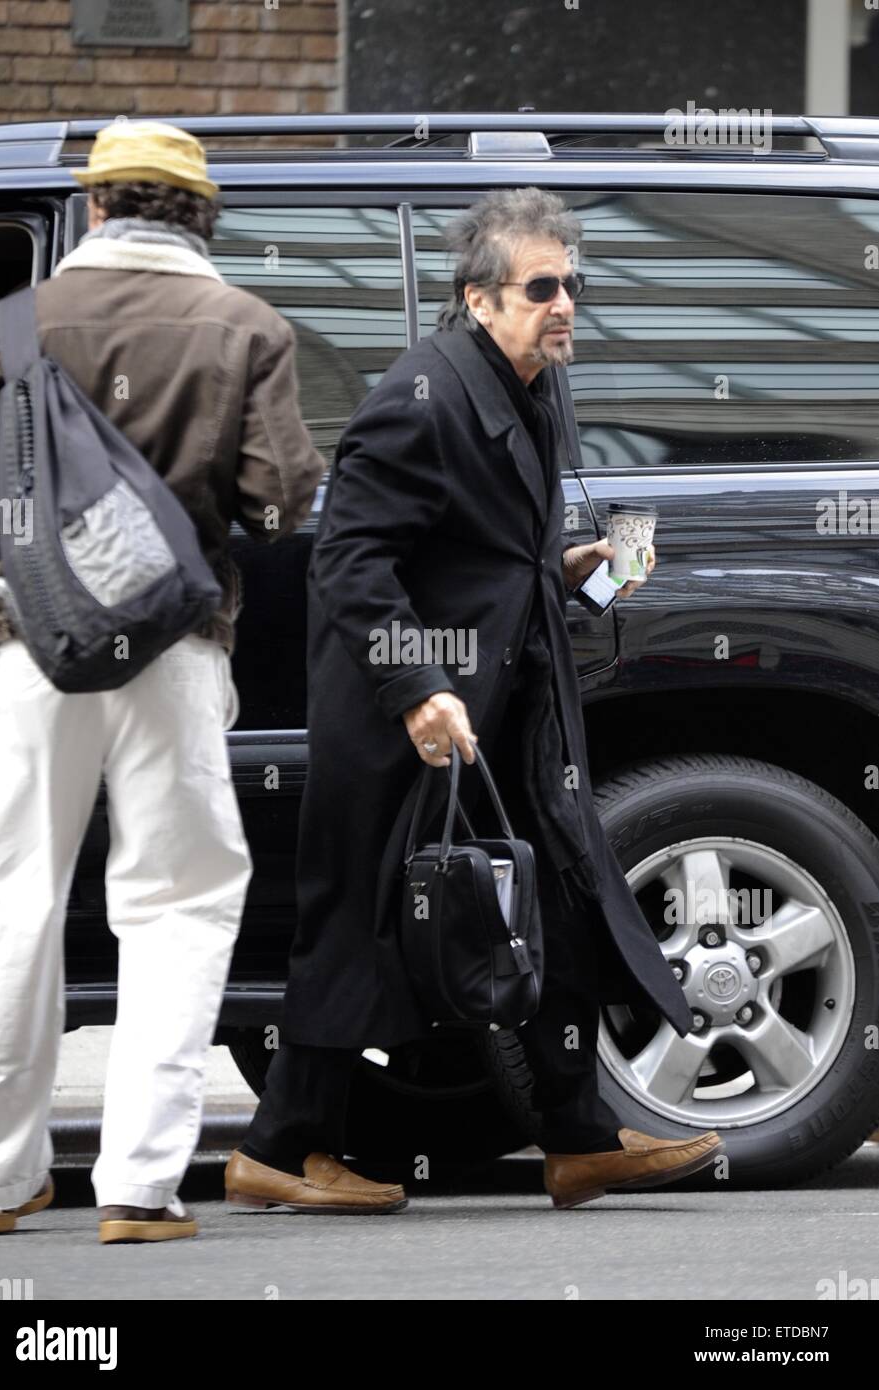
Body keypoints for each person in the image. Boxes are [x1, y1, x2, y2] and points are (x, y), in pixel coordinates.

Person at [225, 187, 722, 1214]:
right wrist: (415, 687)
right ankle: (279, 1146)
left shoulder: (533, 383)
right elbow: (353, 563)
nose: (564, 303)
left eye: (571, 284)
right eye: (541, 287)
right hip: (414, 717)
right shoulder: (421, 395)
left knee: (560, 898)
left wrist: (580, 564)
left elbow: (485, 549)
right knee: (361, 928)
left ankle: (579, 1138)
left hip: (512, 705)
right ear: (478, 298)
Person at [0, 118, 325, 1241]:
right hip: (173, 647)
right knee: (175, 904)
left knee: (19, 901)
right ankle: (138, 1188)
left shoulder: (4, 325)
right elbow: (280, 503)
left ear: (99, 208)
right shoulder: (246, 326)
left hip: (29, 648)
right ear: (201, 217)